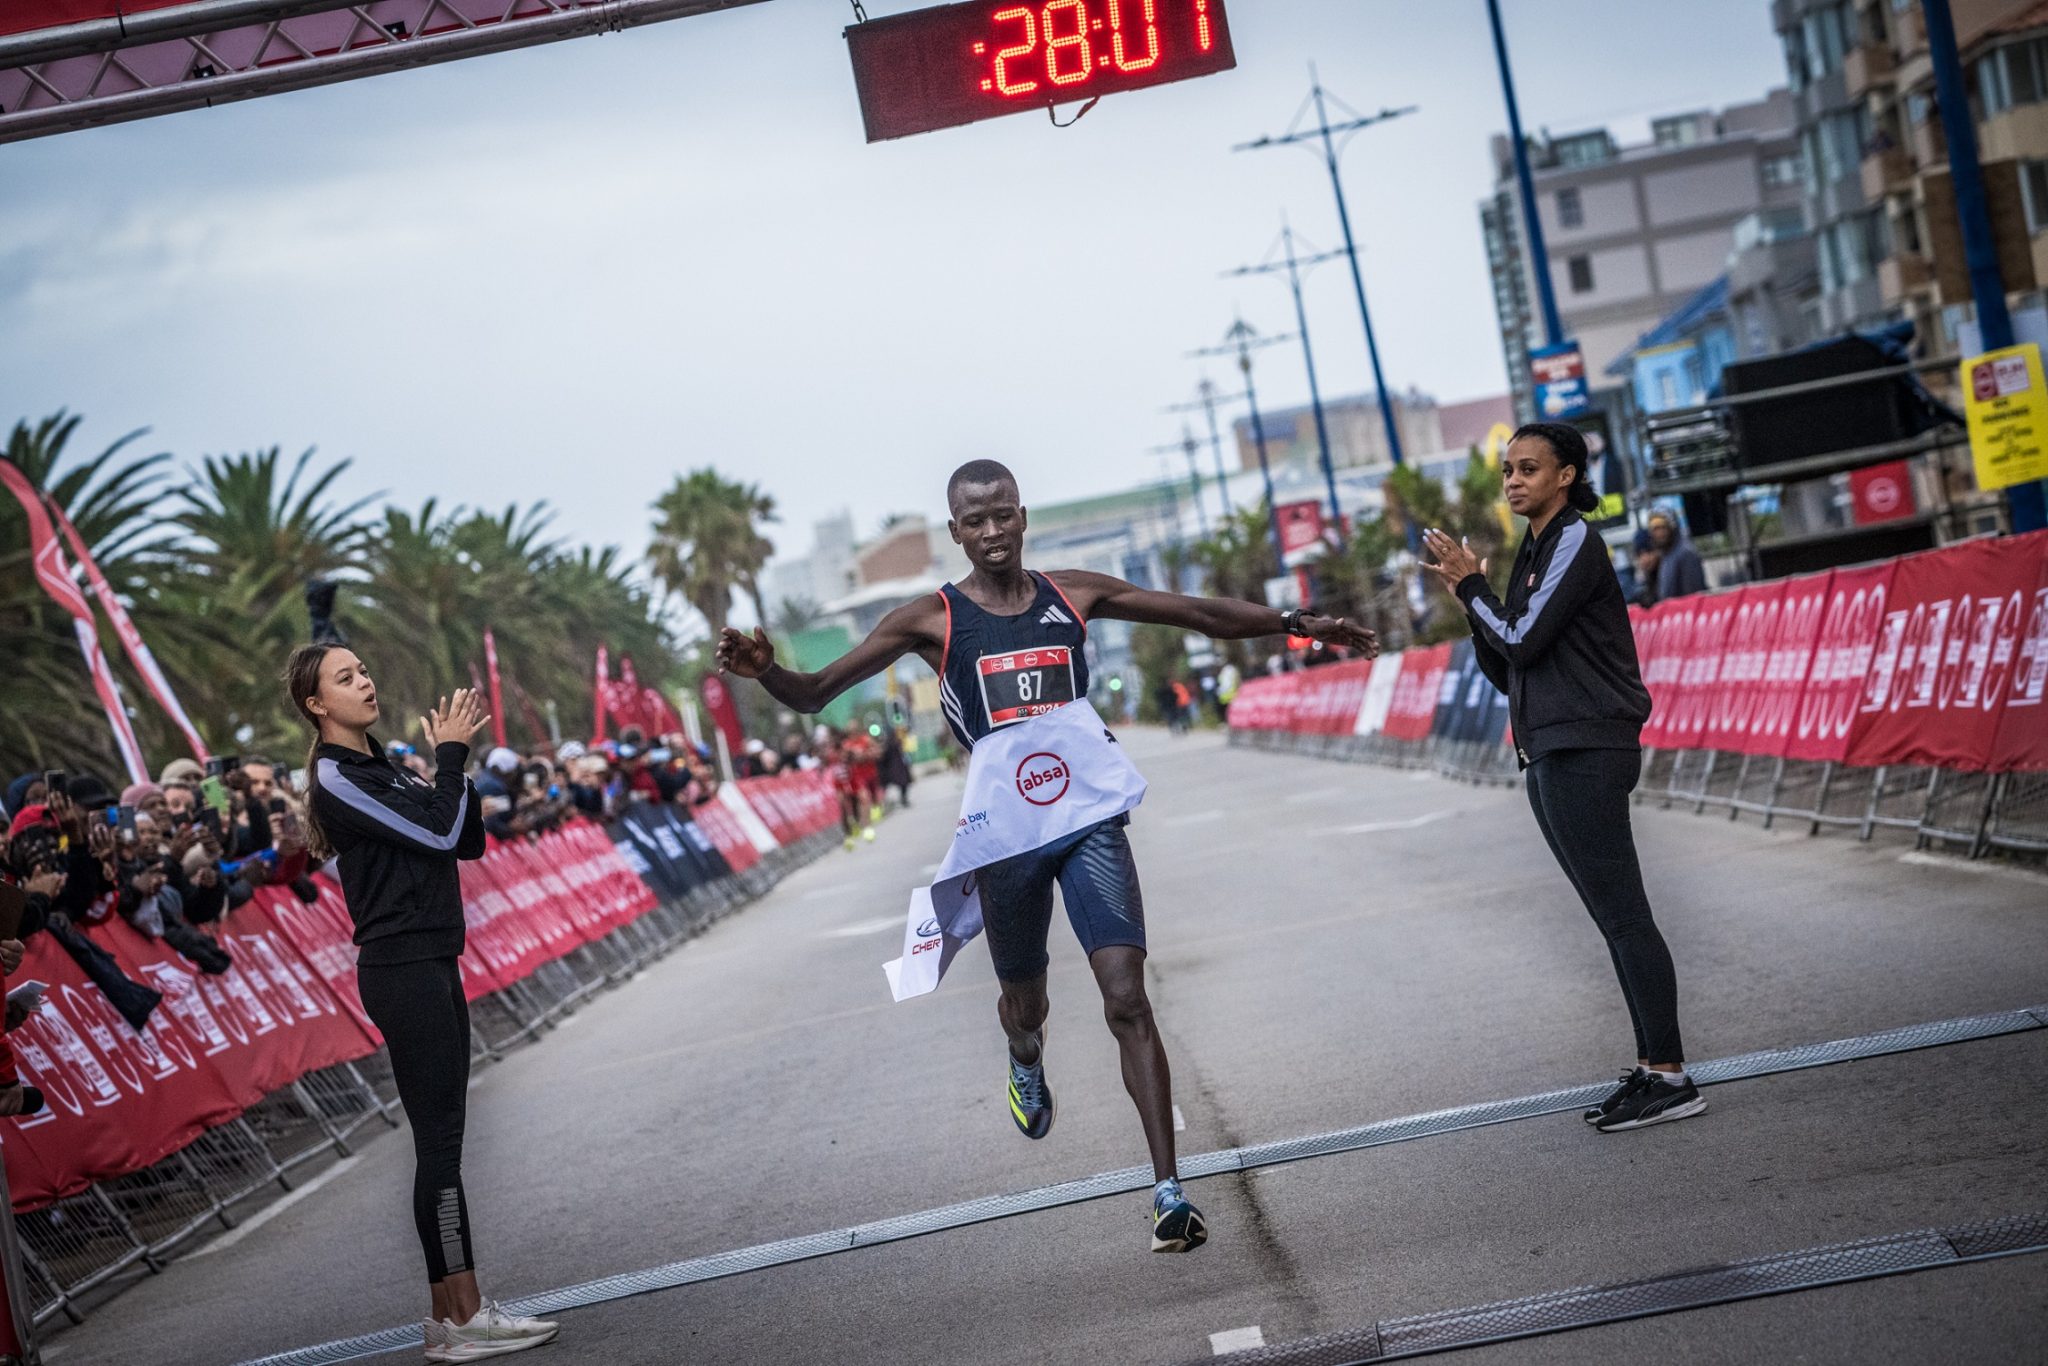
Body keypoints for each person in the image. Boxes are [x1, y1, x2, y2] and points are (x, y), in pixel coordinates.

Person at [716, 459, 1376, 1253]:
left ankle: (1169, 1191)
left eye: (1003, 515)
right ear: (955, 532)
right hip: (1005, 838)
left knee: (1126, 993)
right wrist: (768, 674)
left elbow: (1197, 613)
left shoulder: (1074, 594)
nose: (992, 532)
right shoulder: (930, 619)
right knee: (1027, 1005)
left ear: (1022, 517)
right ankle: (1023, 1052)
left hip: (1087, 814)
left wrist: (1297, 622)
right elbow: (818, 690)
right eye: (975, 521)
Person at [1420, 422, 1704, 1135]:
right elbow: (1510, 661)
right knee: (1612, 920)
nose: (1514, 480)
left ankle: (1670, 1075)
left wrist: (1471, 586)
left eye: (1529, 468)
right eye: (1508, 470)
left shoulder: (1575, 538)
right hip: (1548, 745)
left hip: (1587, 746)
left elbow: (1522, 638)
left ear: (1567, 475)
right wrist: (1476, 599)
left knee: (1626, 915)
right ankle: (1652, 1068)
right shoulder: (1536, 547)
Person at [285, 645, 558, 1362]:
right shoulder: (336, 778)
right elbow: (438, 829)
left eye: (364, 670)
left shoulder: (379, 768)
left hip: (435, 958)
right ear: (316, 705)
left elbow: (463, 840)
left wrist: (452, 764)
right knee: (439, 1145)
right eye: (345, 678)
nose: (364, 681)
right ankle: (464, 1318)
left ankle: (448, 1317)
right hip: (402, 967)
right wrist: (447, 761)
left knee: (445, 1140)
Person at [1646, 510, 1707, 601]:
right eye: (1655, 529)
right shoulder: (1665, 556)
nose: (1659, 534)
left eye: (1663, 528)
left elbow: (1693, 597)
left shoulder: (1686, 553)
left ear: (1672, 529)